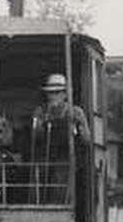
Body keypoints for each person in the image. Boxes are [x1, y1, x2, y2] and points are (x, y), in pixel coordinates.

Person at [30, 73, 89, 206]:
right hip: (45, 158)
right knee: (38, 187)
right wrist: (39, 125)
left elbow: (86, 140)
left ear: (65, 94)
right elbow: (34, 138)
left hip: (66, 159)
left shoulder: (75, 112)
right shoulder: (41, 112)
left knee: (61, 186)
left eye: (57, 93)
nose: (53, 96)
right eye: (51, 93)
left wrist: (78, 126)